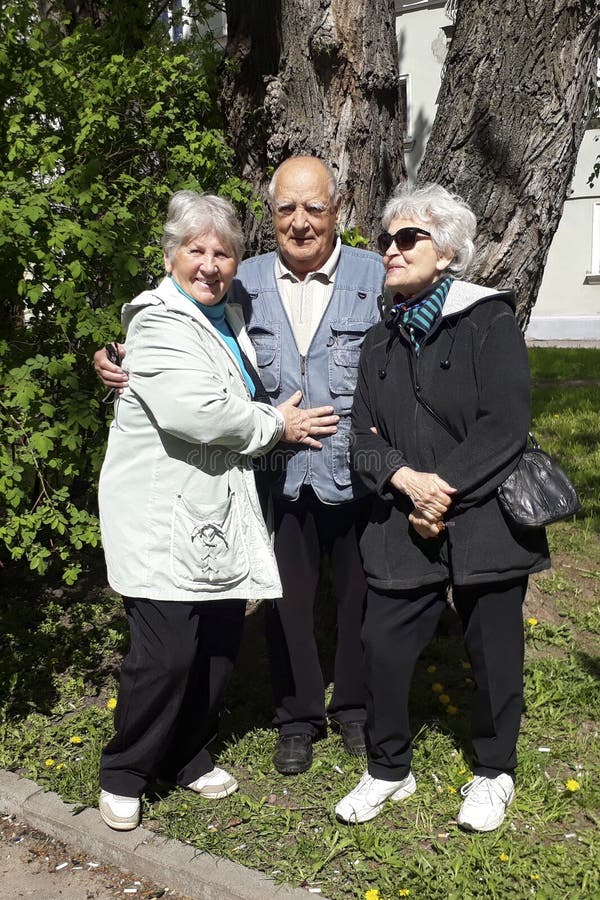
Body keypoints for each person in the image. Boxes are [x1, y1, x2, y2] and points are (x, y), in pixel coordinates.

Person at [95, 157, 386, 776]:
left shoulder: (373, 273)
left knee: (361, 597)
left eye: (314, 209)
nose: (300, 223)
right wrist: (119, 356)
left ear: (339, 213)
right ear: (271, 215)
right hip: (272, 471)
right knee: (283, 602)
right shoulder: (241, 279)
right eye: (286, 209)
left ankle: (356, 710)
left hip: (357, 466)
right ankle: (297, 717)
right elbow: (176, 331)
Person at [334, 183, 550, 832]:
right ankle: (389, 769)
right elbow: (359, 436)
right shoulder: (378, 340)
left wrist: (441, 490)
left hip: (484, 515)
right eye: (386, 240)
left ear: (448, 252)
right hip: (402, 518)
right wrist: (405, 480)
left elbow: (504, 426)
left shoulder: (490, 322)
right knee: (383, 646)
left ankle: (494, 771)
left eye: (408, 238)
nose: (391, 251)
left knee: (494, 653)